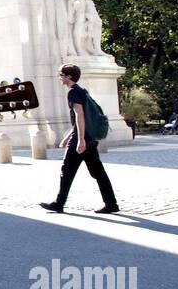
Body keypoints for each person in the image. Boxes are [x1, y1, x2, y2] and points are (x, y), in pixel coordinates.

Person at [41, 64, 120, 215]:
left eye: (61, 75)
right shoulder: (82, 91)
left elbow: (80, 115)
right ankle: (111, 204)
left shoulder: (73, 93)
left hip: (82, 139)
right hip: (87, 138)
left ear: (68, 77)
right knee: (98, 172)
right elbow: (79, 119)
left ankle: (59, 203)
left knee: (67, 170)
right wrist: (66, 138)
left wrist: (80, 140)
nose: (59, 77)